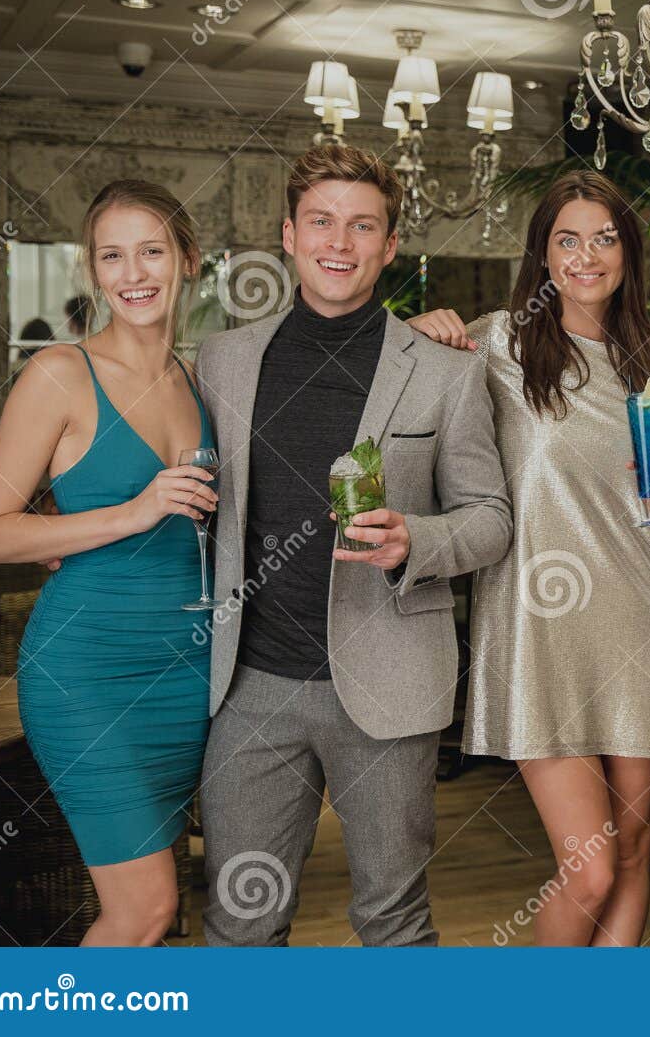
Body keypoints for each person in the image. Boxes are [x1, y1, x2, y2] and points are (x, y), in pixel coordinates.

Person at [195, 144, 511, 947]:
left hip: (390, 683)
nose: (341, 241)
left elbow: (490, 517)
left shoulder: (445, 370)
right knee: (240, 921)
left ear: (390, 243)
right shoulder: (223, 360)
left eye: (362, 225)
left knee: (394, 921)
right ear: (290, 234)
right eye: (322, 221)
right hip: (249, 686)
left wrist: (418, 537)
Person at [407, 170, 650, 946]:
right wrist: (422, 331)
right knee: (589, 866)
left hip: (638, 616)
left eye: (604, 238)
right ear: (543, 254)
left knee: (633, 853)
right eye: (568, 239)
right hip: (536, 628)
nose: (587, 255)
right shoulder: (499, 342)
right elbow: (401, 393)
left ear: (628, 253)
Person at [0, 180, 217, 946]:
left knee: (159, 909)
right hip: (88, 672)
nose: (133, 271)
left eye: (151, 250)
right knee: (143, 909)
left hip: (188, 673)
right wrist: (131, 511)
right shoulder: (59, 374)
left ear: (187, 260)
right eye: (112, 255)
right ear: (93, 270)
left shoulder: (199, 379)